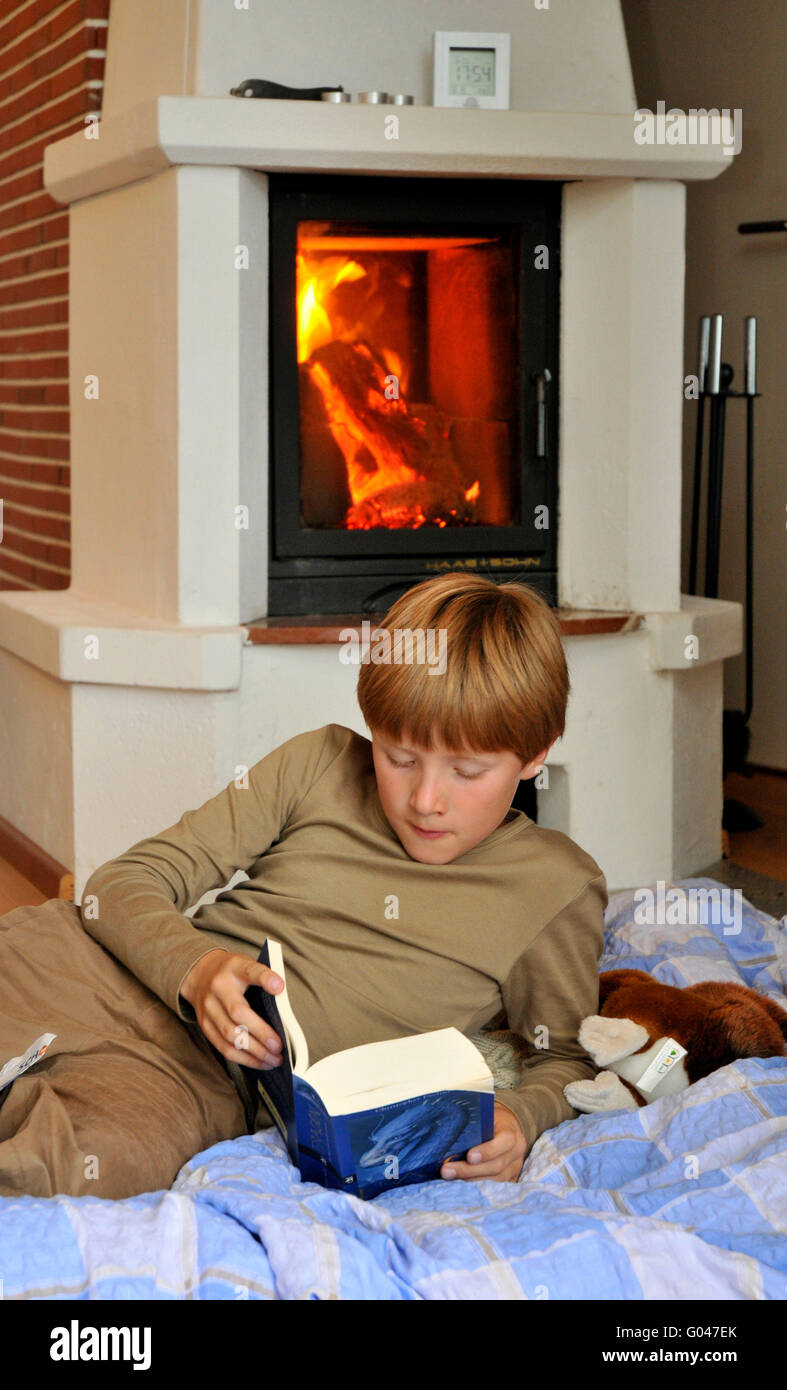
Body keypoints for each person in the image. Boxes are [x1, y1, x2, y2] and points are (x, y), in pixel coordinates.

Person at [0, 572, 607, 1199]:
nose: (427, 800)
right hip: (87, 965)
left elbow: (566, 1058)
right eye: (398, 757)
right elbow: (121, 883)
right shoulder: (318, 763)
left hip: (194, 1078)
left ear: (537, 753)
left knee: (72, 1169)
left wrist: (519, 1116)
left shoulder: (555, 885)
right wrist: (197, 967)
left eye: (468, 770)